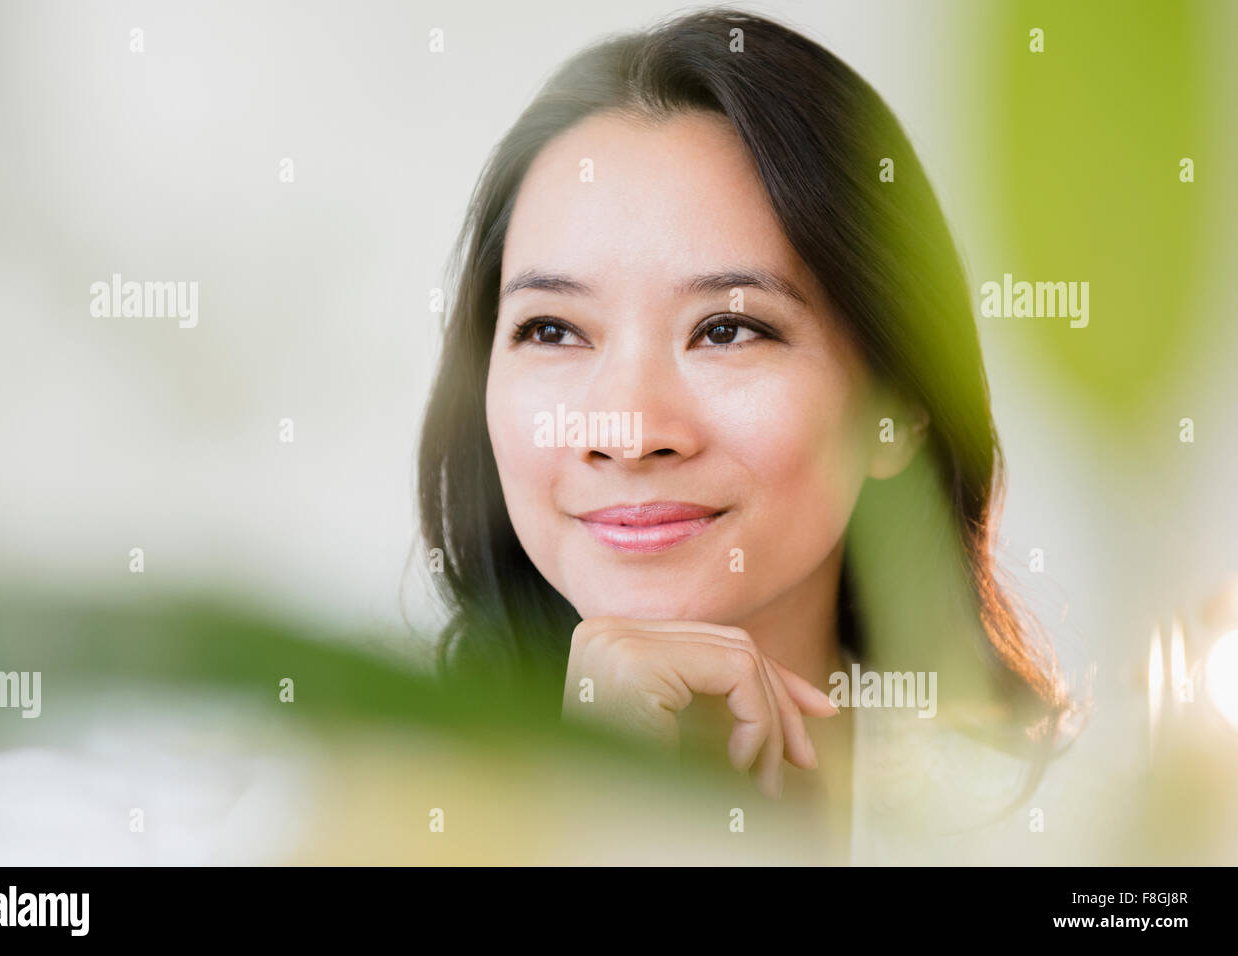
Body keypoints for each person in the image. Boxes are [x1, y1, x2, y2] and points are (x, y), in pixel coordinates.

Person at [417, 7, 1079, 825]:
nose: (627, 430)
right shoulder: (346, 815)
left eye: (727, 329)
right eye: (551, 329)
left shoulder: (1097, 842)